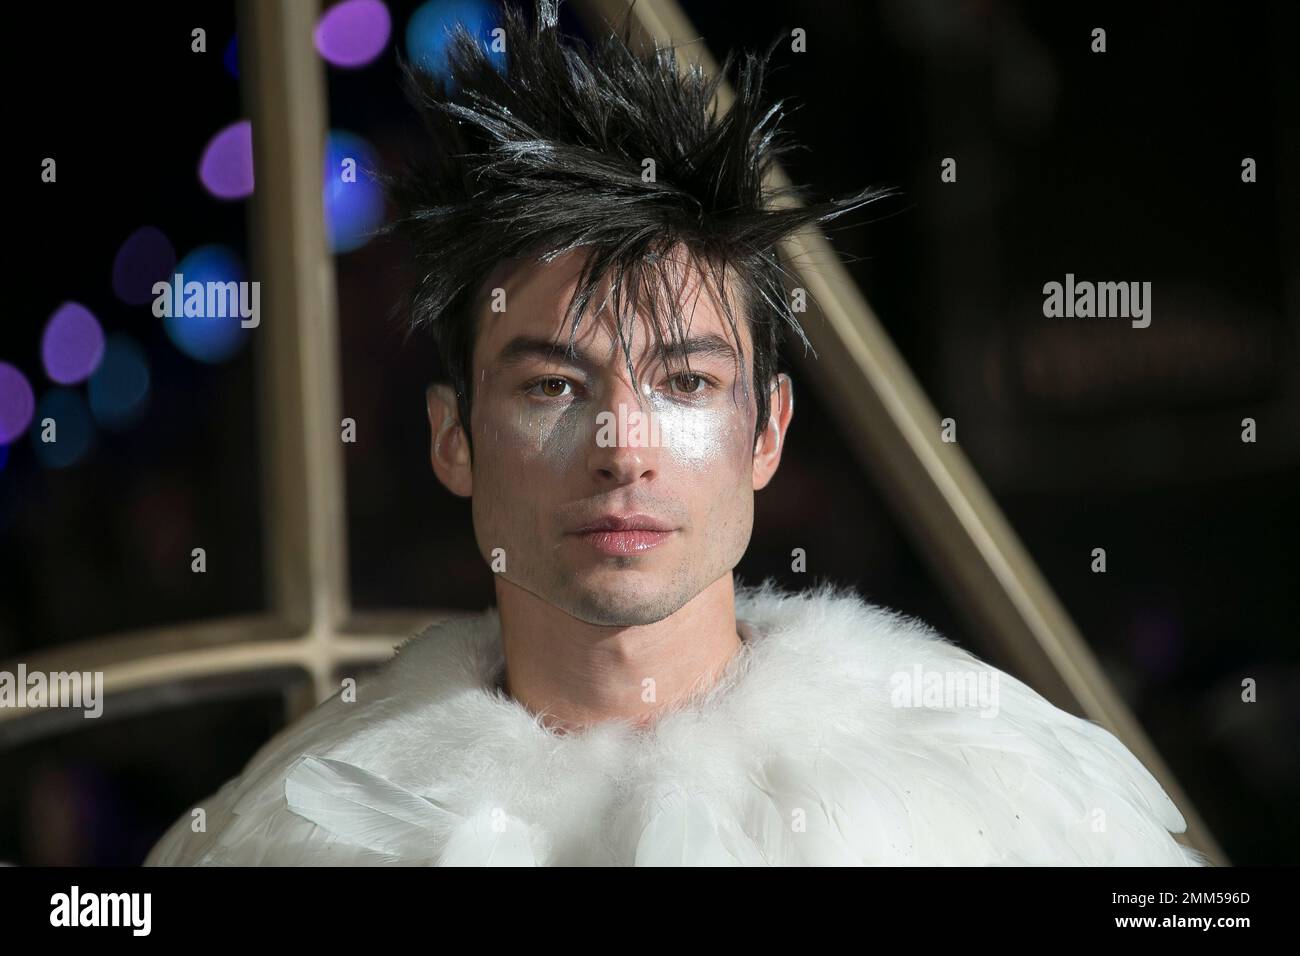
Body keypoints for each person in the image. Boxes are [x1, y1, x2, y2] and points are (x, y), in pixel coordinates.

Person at [145, 0, 1205, 866]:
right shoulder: (290, 834)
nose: (623, 445)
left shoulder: (997, 803)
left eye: (686, 380)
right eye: (553, 388)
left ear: (767, 431)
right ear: (452, 439)